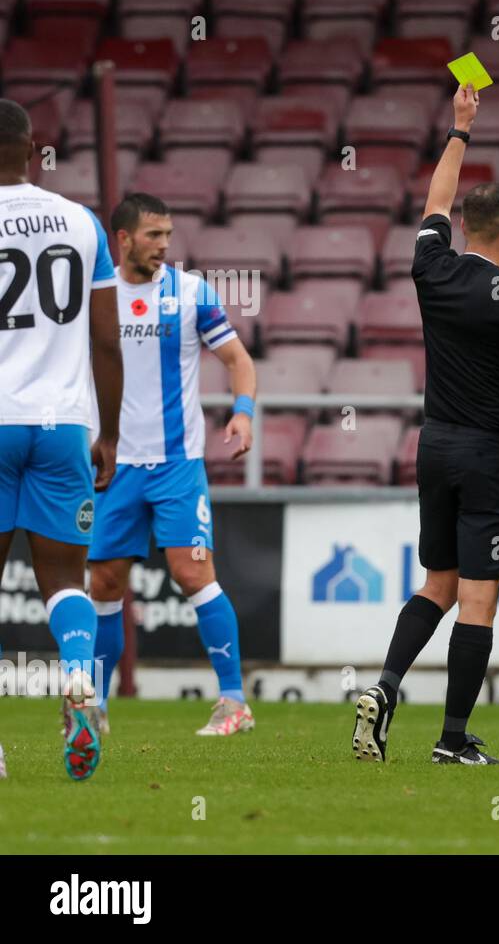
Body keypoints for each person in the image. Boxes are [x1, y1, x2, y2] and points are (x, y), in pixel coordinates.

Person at [352, 83, 499, 766]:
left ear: (465, 229)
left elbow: (434, 204)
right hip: (489, 457)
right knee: (478, 599)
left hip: (435, 447)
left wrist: (459, 129)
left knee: (438, 585)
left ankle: (386, 688)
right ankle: (452, 739)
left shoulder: (433, 267)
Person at [88, 192, 258, 737]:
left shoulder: (189, 293)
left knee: (191, 572)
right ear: (124, 238)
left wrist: (243, 412)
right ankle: (95, 703)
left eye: (168, 234)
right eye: (153, 234)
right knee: (106, 583)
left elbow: (237, 359)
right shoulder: (97, 297)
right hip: (114, 467)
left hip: (176, 463)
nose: (164, 244)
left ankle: (234, 701)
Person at [0, 98, 122, 781]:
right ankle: (78, 677)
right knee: (63, 581)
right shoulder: (81, 223)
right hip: (62, 425)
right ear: (33, 150)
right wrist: (106, 430)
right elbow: (107, 336)